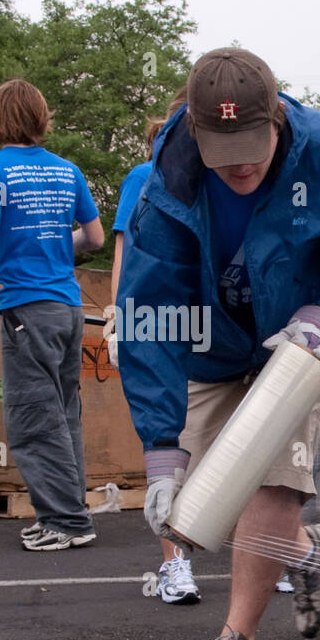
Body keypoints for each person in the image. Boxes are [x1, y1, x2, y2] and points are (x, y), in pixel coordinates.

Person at [117, 48, 320, 640]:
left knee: (270, 478)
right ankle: (304, 551)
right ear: (193, 131)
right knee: (196, 501)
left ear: (278, 118)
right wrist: (160, 452)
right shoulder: (168, 183)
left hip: (304, 336)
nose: (239, 164)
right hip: (212, 342)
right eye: (222, 149)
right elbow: (149, 313)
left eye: (252, 144)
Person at [0, 79, 104, 550]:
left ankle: (67, 523)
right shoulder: (66, 171)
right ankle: (64, 512)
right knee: (62, 413)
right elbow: (94, 238)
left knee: (33, 418)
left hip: (27, 310)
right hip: (68, 306)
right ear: (41, 117)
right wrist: (57, 250)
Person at [106, 89, 202, 604]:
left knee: (227, 438)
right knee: (169, 440)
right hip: (164, 322)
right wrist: (121, 317)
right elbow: (130, 250)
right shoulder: (144, 180)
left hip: (209, 326)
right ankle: (174, 562)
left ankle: (262, 551)